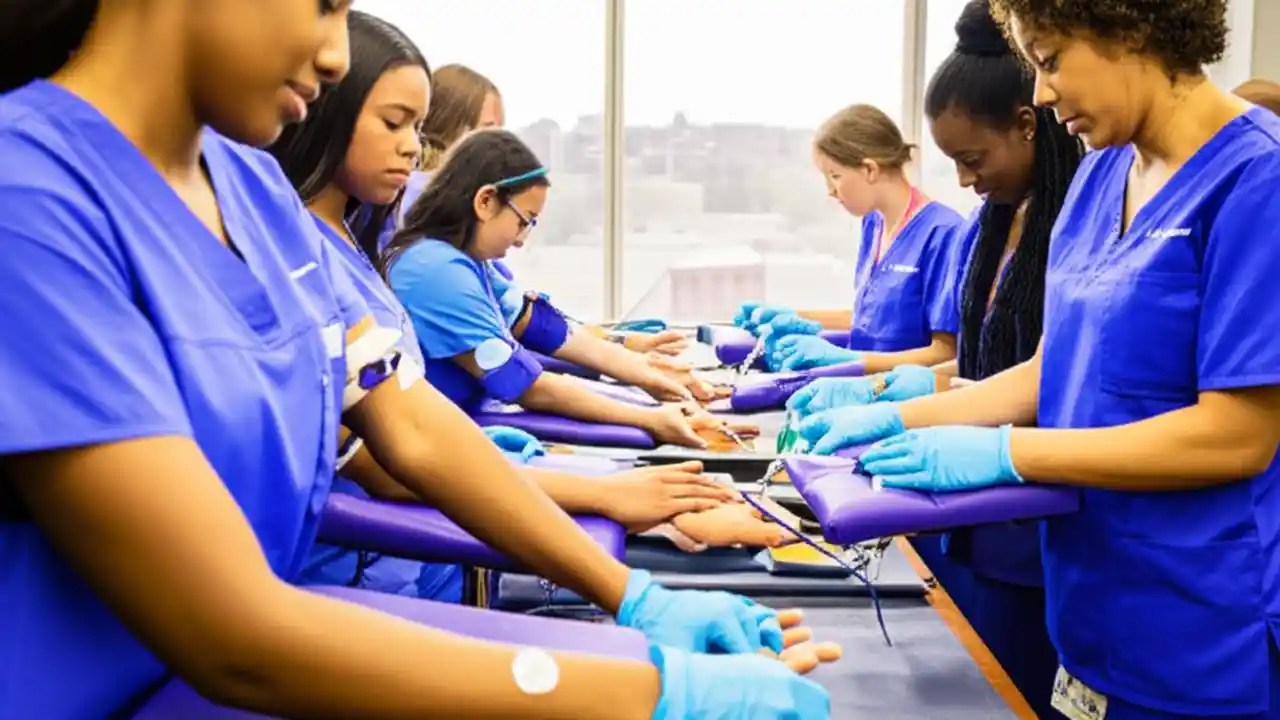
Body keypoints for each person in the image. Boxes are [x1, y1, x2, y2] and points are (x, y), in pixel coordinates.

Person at [0, 1, 829, 717]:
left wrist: (637, 601)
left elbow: (412, 424)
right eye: (323, 4)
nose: (333, 52)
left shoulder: (254, 193)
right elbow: (232, 633)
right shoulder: (28, 196)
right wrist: (651, 693)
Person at [801, 0, 1280, 716]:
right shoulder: (1097, 178)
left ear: (1133, 25)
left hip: (1201, 626)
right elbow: (1053, 371)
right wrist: (900, 415)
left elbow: (1237, 434)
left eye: (1050, 60)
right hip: (1086, 610)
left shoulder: (1257, 180)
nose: (1039, 94)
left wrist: (1009, 456)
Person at [268, 10, 779, 598]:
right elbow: (493, 395)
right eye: (397, 124)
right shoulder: (407, 264)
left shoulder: (381, 246)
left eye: (420, 129)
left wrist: (645, 372)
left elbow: (541, 330)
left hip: (420, 527)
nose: (414, 151)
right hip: (374, 557)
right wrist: (620, 488)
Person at [787, 2, 1084, 714]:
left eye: (974, 161)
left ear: (1027, 122)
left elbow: (1047, 379)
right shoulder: (992, 224)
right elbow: (983, 364)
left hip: (1028, 532)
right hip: (963, 520)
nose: (964, 180)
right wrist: (895, 401)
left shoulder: (1076, 218)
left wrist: (901, 402)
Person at [382, 128, 731, 448]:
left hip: (469, 415)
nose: (521, 240)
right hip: (443, 435)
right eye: (523, 222)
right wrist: (647, 416)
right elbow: (519, 381)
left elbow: (544, 327)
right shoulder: (434, 270)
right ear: (485, 201)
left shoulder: (468, 260)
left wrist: (648, 376)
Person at [735, 104, 966, 374]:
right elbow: (869, 321)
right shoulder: (874, 223)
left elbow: (945, 354)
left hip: (904, 395)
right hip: (860, 384)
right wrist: (795, 317)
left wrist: (850, 362)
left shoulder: (944, 233)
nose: (830, 191)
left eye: (835, 176)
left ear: (869, 170)